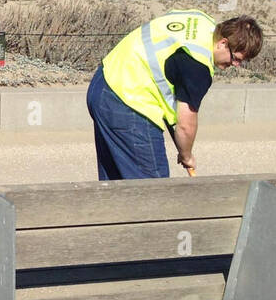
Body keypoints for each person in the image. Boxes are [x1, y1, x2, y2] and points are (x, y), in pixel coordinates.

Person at [87, 10, 262, 180]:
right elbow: (185, 125)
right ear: (223, 43)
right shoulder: (198, 65)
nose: (236, 65)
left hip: (103, 81)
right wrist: (187, 155)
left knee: (114, 187)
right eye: (236, 59)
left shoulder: (200, 20)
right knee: (155, 189)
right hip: (128, 101)